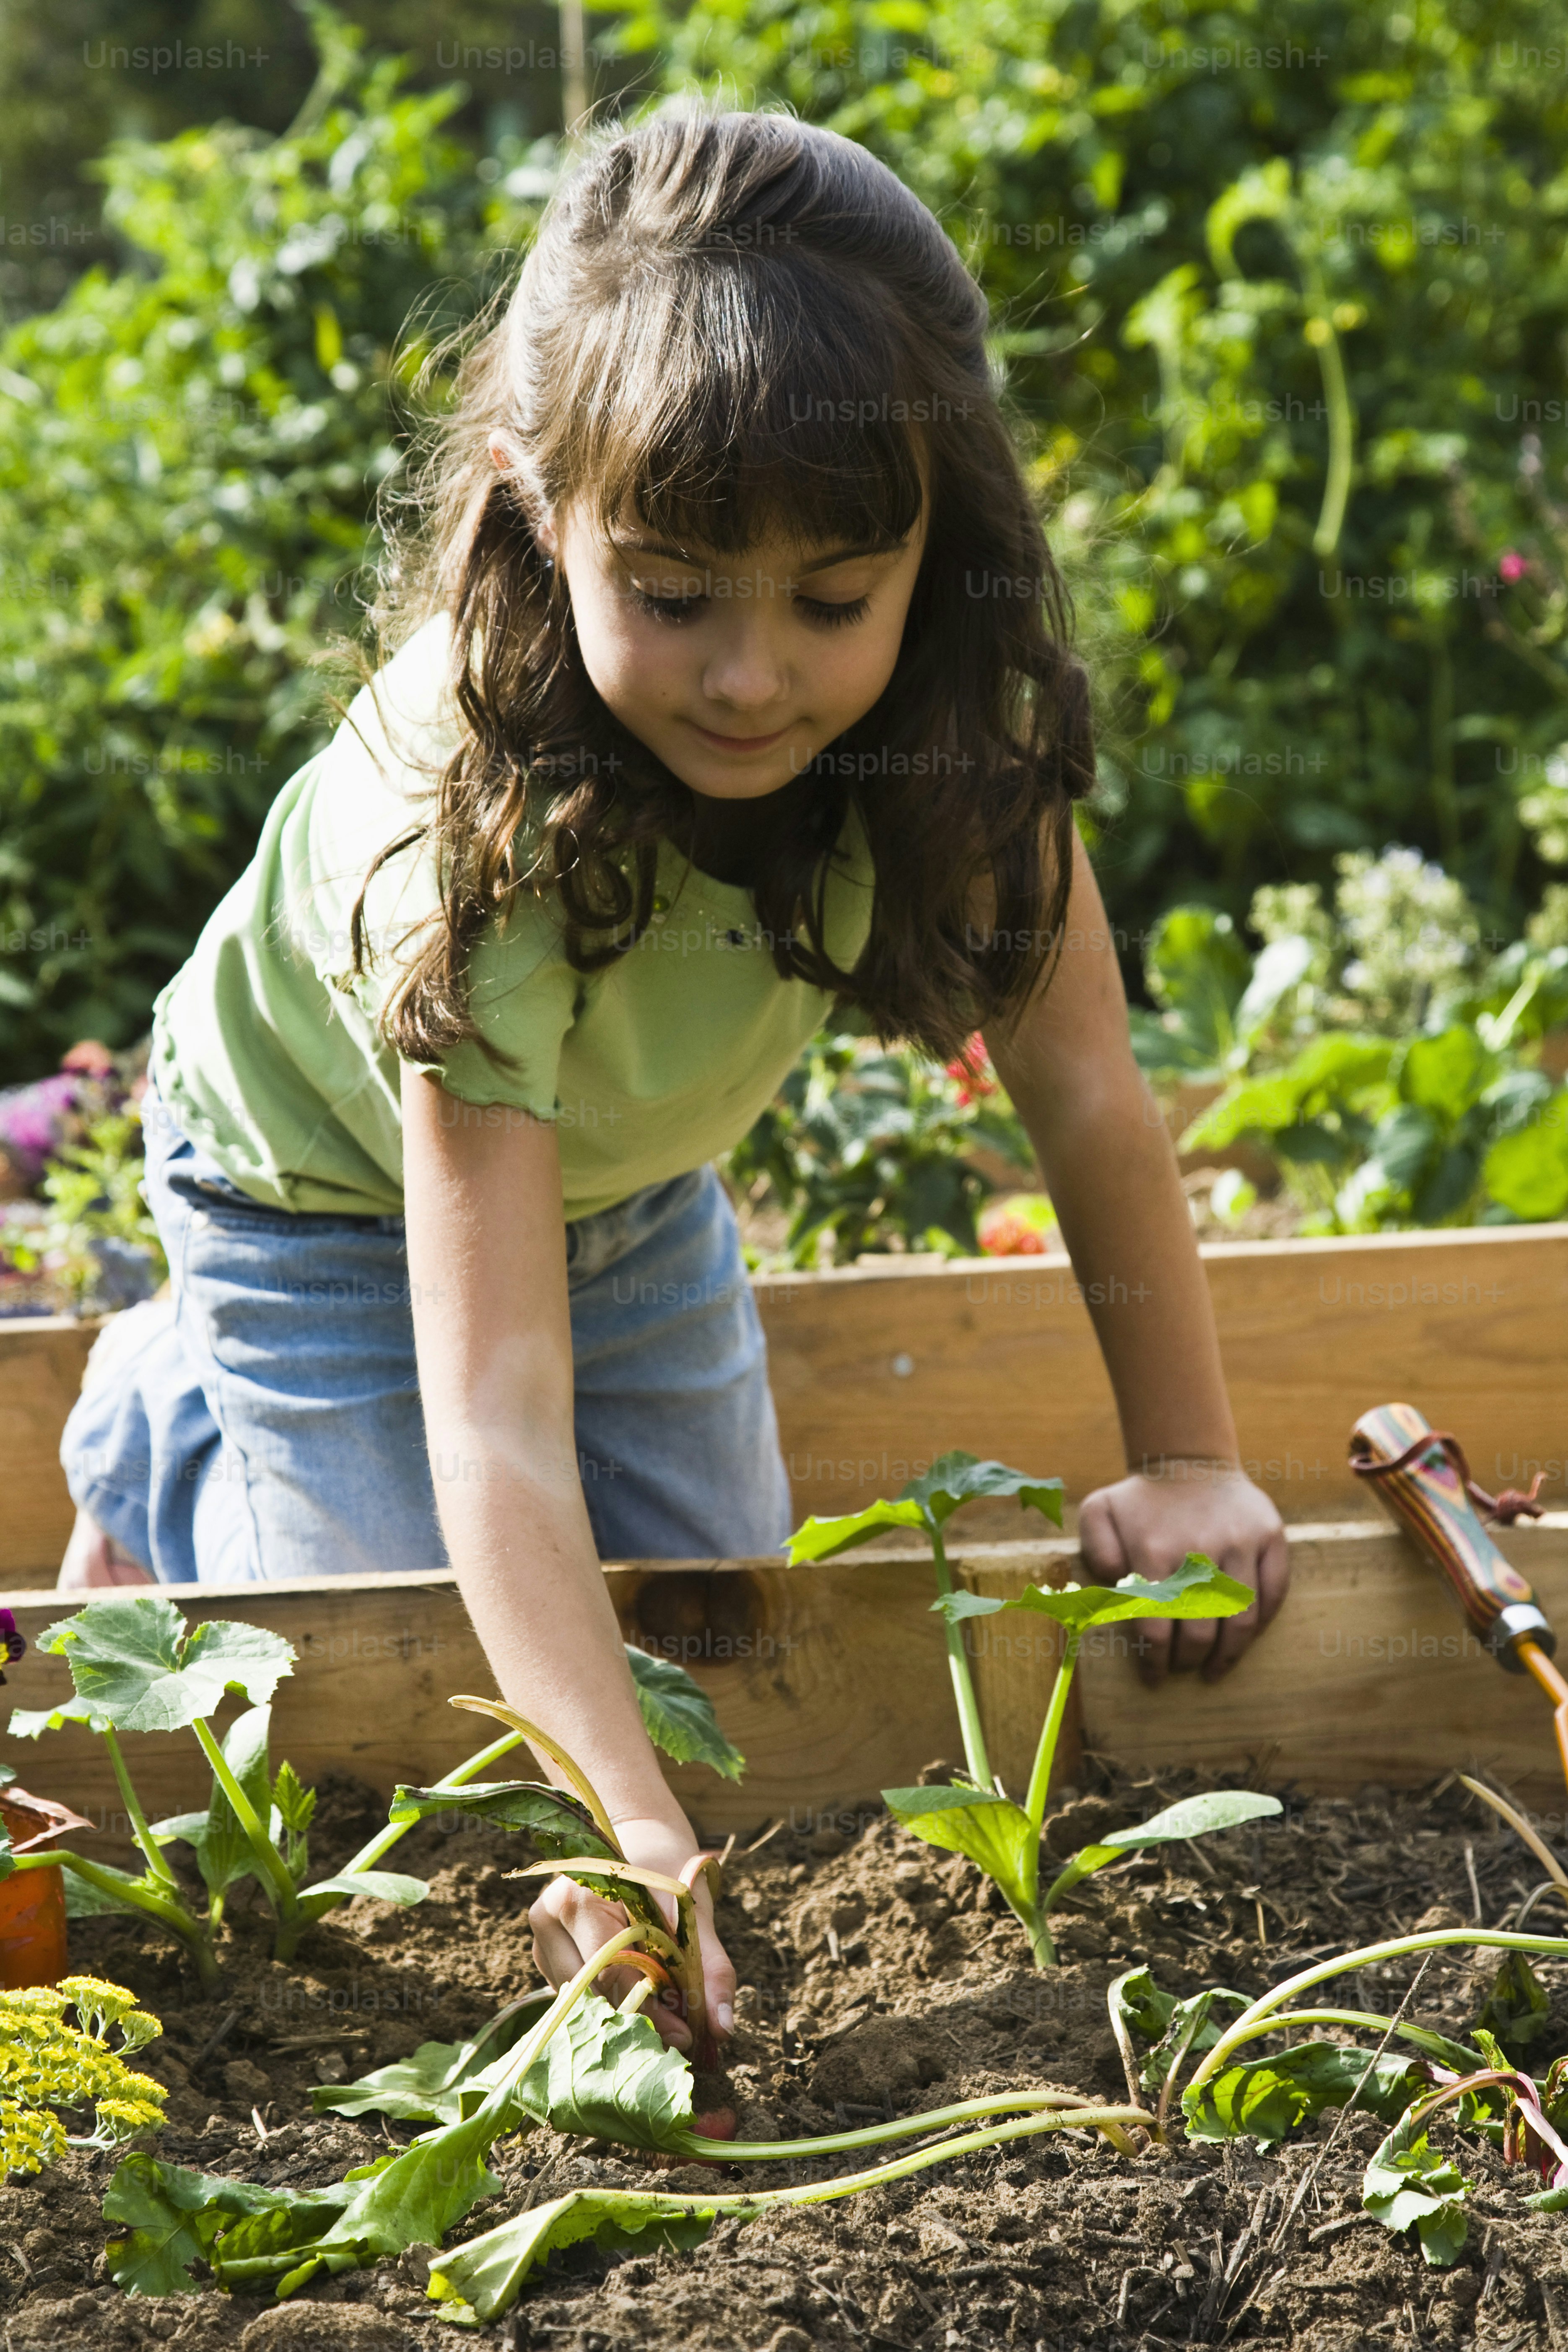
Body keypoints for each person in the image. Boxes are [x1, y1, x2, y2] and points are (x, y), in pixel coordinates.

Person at [58, 110, 1287, 2054]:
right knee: (393, 1703)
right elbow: (495, 1401)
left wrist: (1195, 1453)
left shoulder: (950, 758)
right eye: (676, 587)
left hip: (620, 1197)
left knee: (723, 1642)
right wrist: (617, 1820)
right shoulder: (475, 838)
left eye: (828, 601)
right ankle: (164, 1433)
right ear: (540, 509)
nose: (745, 680)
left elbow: (1089, 1096)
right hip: (317, 1200)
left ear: (931, 548)